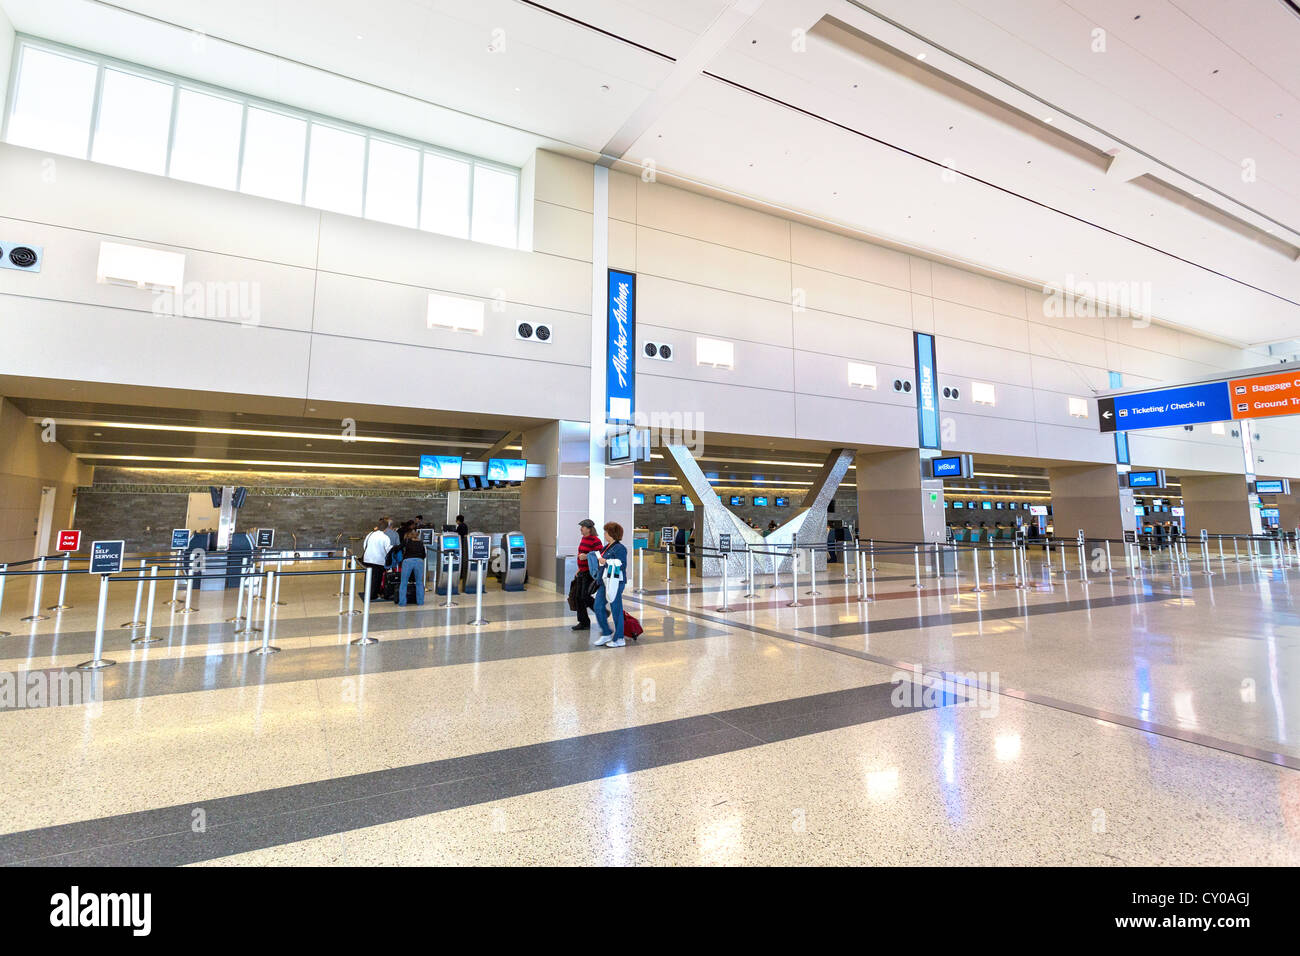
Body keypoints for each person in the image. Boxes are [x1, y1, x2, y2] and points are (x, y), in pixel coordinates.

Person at [592, 521, 628, 647]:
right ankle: (606, 633)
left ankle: (619, 638)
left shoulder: (620, 548)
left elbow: (622, 565)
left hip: (615, 583)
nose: (604, 534)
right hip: (604, 582)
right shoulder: (606, 547)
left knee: (616, 609)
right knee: (598, 606)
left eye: (606, 532)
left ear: (612, 533)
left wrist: (606, 562)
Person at [571, 519, 602, 631]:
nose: (581, 529)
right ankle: (583, 622)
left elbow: (599, 556)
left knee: (584, 596)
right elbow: (581, 554)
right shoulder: (583, 539)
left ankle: (601, 611)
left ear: (589, 529)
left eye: (583, 527)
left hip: (589, 573)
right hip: (582, 572)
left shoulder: (596, 540)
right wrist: (579, 569)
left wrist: (587, 556)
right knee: (578, 597)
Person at [362, 520, 391, 600]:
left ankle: (367, 593)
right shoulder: (385, 537)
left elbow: (365, 545)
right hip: (378, 561)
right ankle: (373, 595)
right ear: (386, 528)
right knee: (376, 579)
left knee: (368, 577)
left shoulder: (370, 534)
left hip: (367, 559)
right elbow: (388, 550)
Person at [397, 527, 426, 606]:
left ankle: (402, 602)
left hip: (407, 561)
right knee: (419, 582)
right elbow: (424, 555)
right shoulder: (420, 542)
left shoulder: (406, 541)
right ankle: (420, 602)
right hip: (419, 561)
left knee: (404, 583)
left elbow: (398, 548)